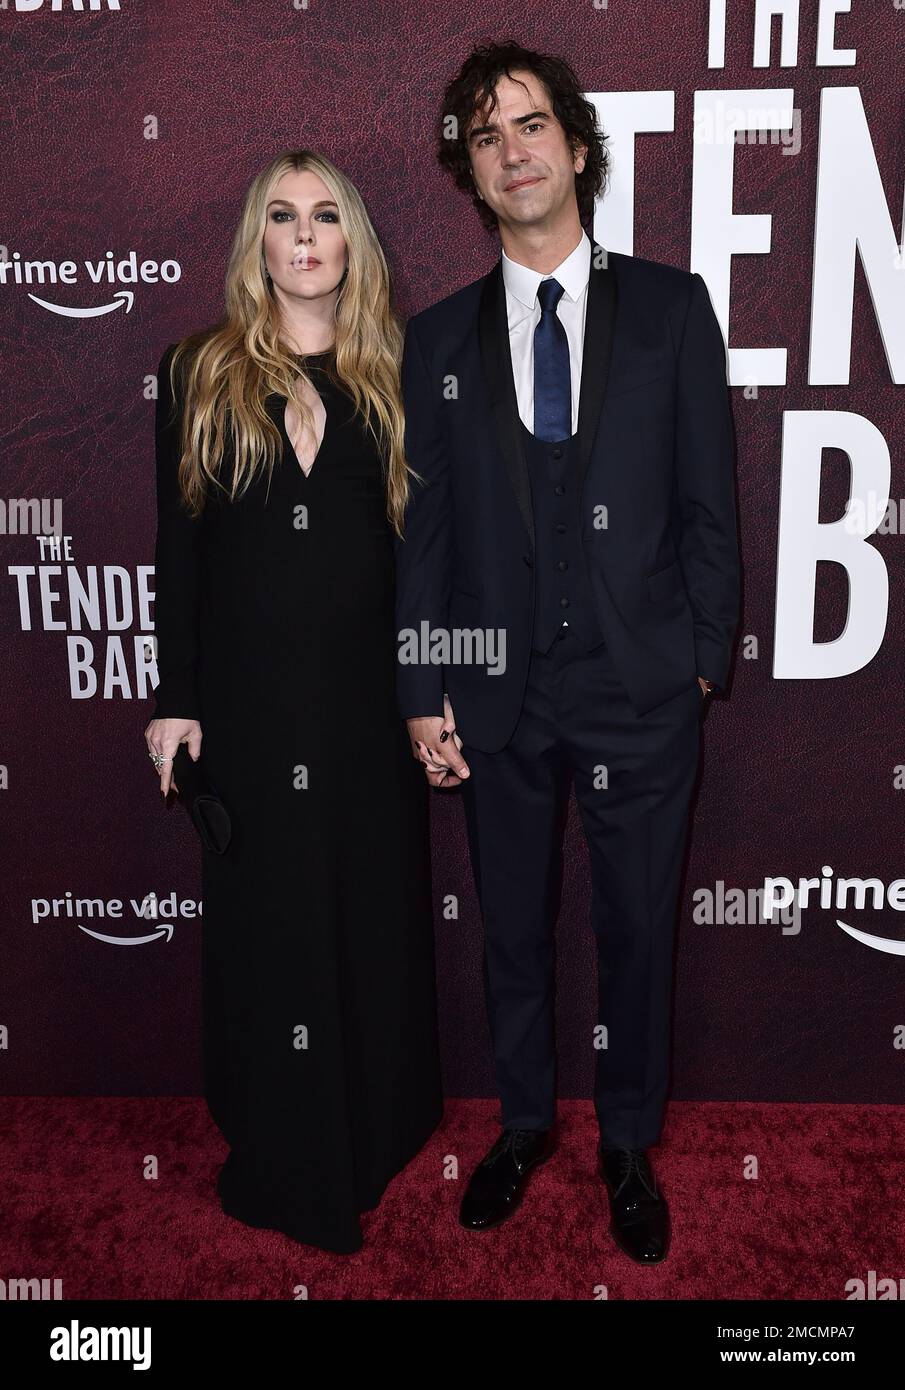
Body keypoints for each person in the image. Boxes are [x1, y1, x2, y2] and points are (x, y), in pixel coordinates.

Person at [395, 43, 740, 1263]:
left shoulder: (669, 308)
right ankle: (527, 1122)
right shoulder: (434, 341)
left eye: (529, 126)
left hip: (641, 687)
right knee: (513, 927)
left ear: (577, 147)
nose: (512, 151)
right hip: (495, 689)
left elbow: (711, 504)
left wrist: (701, 658)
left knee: (638, 925)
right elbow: (421, 537)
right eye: (485, 139)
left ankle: (627, 1142)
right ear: (472, 176)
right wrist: (420, 685)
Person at [144, 149, 443, 1255]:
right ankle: (282, 1139)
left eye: (326, 216)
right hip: (252, 713)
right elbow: (177, 556)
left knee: (365, 913)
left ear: (351, 242)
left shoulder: (399, 376)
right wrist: (177, 700)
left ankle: (367, 1133)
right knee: (271, 927)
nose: (306, 235)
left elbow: (427, 563)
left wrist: (430, 691)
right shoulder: (194, 373)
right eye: (282, 216)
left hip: (368, 716)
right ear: (255, 244)